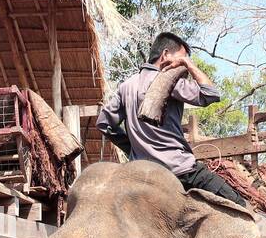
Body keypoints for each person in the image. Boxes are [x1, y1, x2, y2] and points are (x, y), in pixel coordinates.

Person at [96, 31, 247, 206]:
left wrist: (131, 147)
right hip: (180, 170)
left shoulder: (126, 86)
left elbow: (103, 123)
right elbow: (211, 94)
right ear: (165, 54)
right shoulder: (169, 79)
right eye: (180, 58)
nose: (181, 68)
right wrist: (188, 64)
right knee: (239, 205)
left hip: (141, 172)